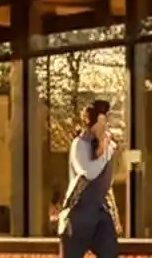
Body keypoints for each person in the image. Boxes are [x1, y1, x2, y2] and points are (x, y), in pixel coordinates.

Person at [58, 100, 120, 258]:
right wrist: (106, 153)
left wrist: (115, 216)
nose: (105, 127)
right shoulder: (79, 145)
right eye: (102, 122)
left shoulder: (108, 147)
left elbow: (107, 185)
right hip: (78, 213)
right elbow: (89, 172)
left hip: (101, 213)